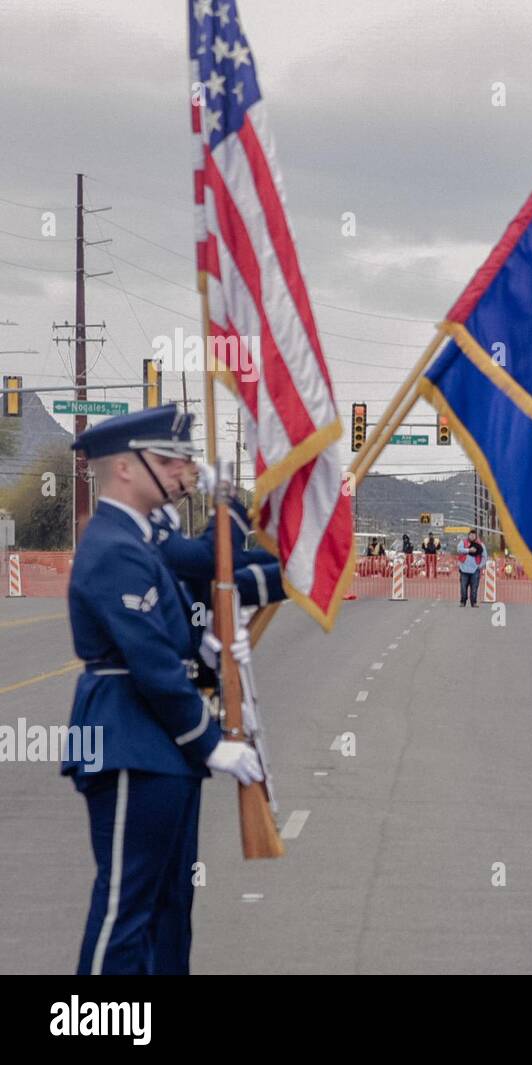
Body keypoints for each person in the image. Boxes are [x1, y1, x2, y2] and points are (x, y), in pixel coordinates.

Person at [63, 406, 263, 975]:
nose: (185, 470)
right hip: (127, 738)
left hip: (156, 746)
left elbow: (170, 635)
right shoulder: (112, 546)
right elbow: (148, 662)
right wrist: (208, 743)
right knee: (126, 909)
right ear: (125, 467)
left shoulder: (142, 541)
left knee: (169, 908)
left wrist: (211, 647)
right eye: (171, 458)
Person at [457, 530, 485, 606]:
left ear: (476, 536)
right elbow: (459, 550)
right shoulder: (463, 542)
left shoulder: (480, 544)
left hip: (475, 569)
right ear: (468, 535)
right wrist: (468, 550)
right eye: (471, 535)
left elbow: (484, 556)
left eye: (474, 535)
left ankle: (474, 602)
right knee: (463, 587)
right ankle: (463, 601)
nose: (472, 536)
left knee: (474, 587)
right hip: (464, 569)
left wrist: (481, 565)